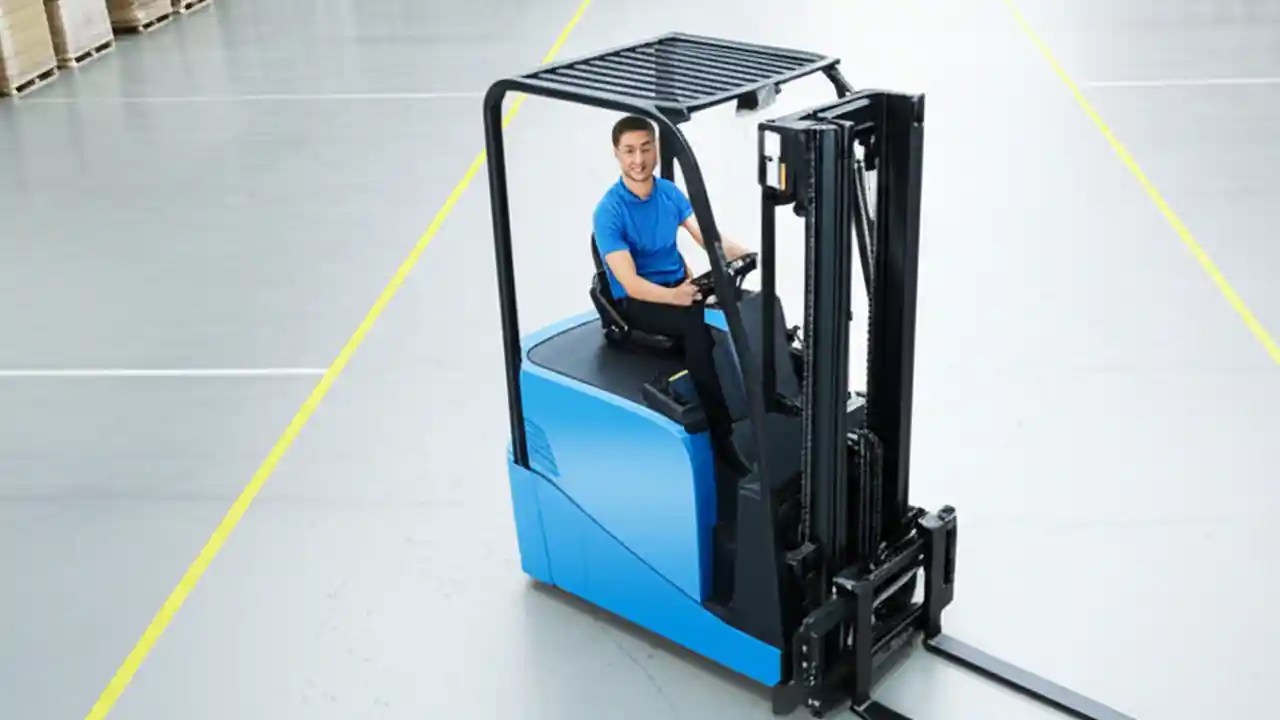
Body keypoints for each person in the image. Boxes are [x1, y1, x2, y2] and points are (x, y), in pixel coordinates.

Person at [592, 114, 752, 476]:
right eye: (629, 151)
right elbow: (630, 283)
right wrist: (678, 297)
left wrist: (746, 254)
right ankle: (722, 436)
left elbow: (707, 237)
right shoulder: (609, 212)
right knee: (697, 327)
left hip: (678, 285)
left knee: (742, 304)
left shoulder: (668, 193)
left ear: (656, 149)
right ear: (616, 154)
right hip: (639, 301)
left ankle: (762, 399)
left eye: (645, 148)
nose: (639, 159)